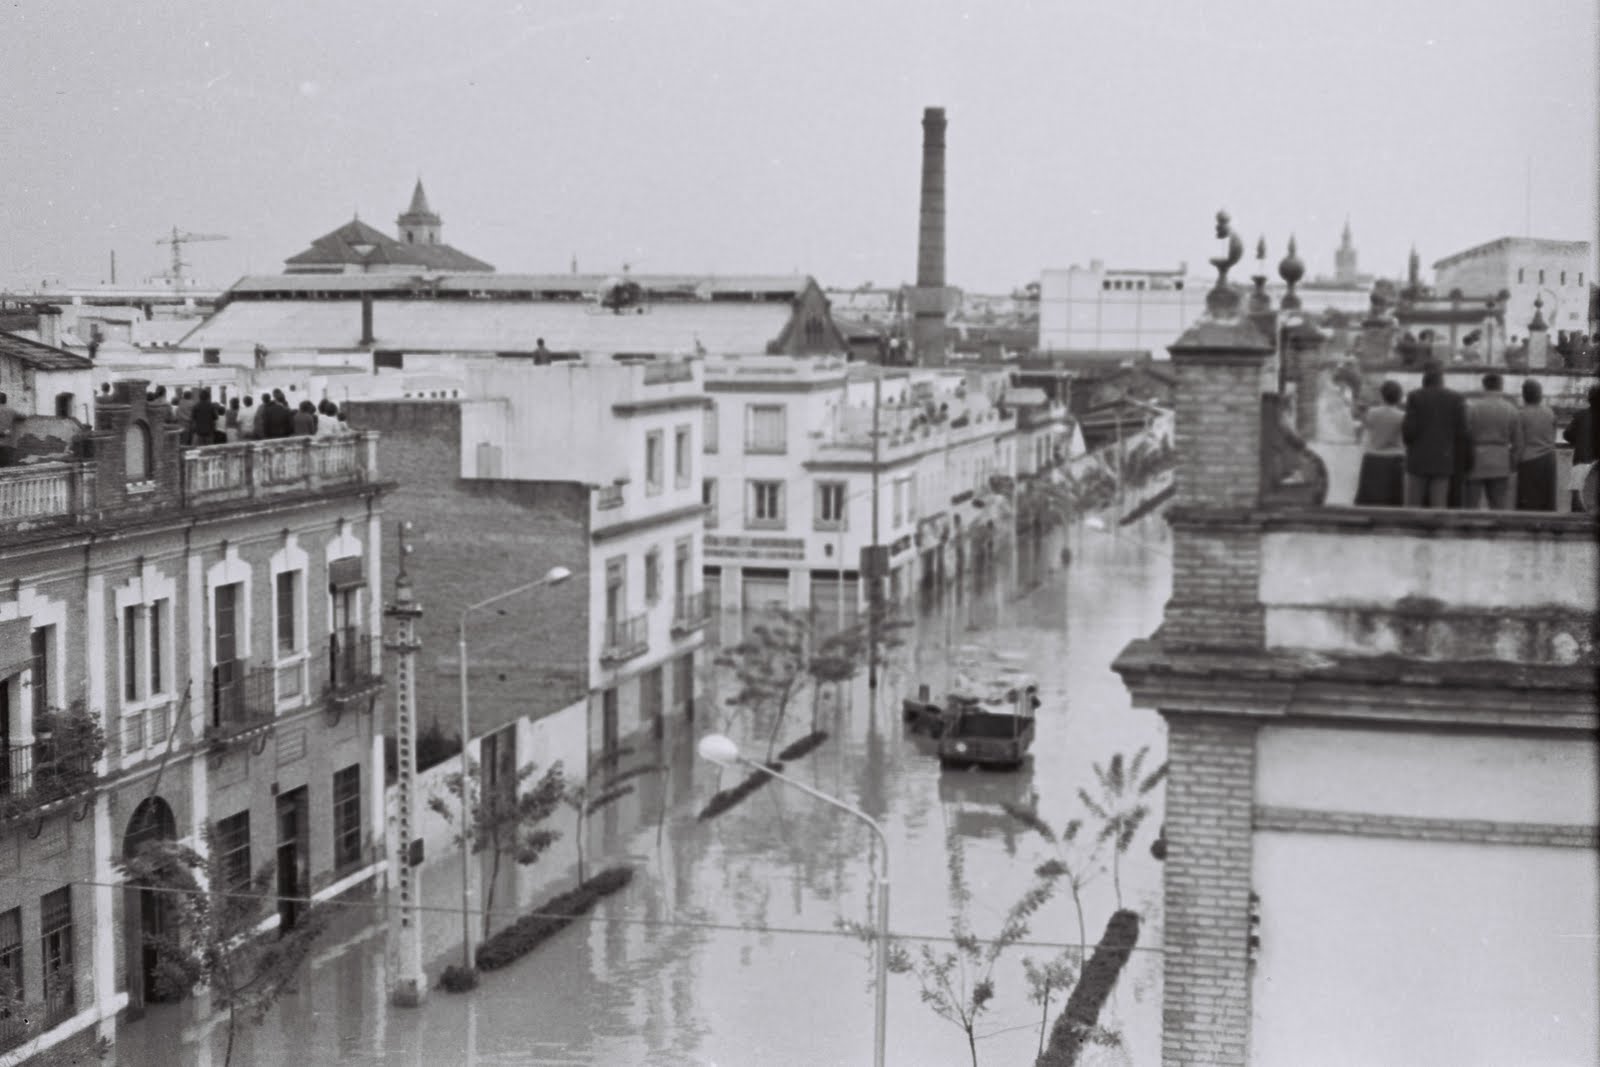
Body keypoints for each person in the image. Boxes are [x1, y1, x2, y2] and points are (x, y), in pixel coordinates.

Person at [1401, 362, 1472, 508]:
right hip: (1443, 458)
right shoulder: (1456, 398)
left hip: (1418, 459)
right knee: (1439, 504)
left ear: (1424, 382)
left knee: (1414, 504)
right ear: (1442, 382)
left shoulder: (1414, 396)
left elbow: (1408, 431)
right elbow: (1462, 431)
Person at [1463, 373, 1521, 510]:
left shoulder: (1473, 408)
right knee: (1498, 506)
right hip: (1501, 460)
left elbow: (1465, 436)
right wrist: (1513, 462)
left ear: (1484, 386)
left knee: (1471, 506)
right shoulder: (1511, 409)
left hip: (1476, 460)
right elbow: (1518, 442)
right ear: (1501, 386)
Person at [1354, 380, 1406, 506]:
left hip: (1372, 457)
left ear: (1382, 395)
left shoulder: (1372, 412)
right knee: (1393, 501)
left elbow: (1364, 424)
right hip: (1395, 458)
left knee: (1369, 501)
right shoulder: (1403, 416)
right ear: (1399, 397)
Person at [1513, 379, 1558, 511]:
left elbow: (1519, 443)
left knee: (1528, 502)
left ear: (1524, 394)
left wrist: (1514, 463)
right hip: (1549, 459)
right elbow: (1553, 436)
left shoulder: (1521, 414)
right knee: (1547, 501)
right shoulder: (1550, 412)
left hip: (1529, 461)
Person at [1563, 384, 1600, 511]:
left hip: (1581, 463)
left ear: (1589, 399)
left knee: (1577, 508)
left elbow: (1567, 434)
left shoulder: (1580, 415)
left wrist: (1579, 440)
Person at [0, 391, 17, 467]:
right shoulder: (11, 411)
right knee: (5, 465)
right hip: (6, 442)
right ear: (5, 400)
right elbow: (23, 416)